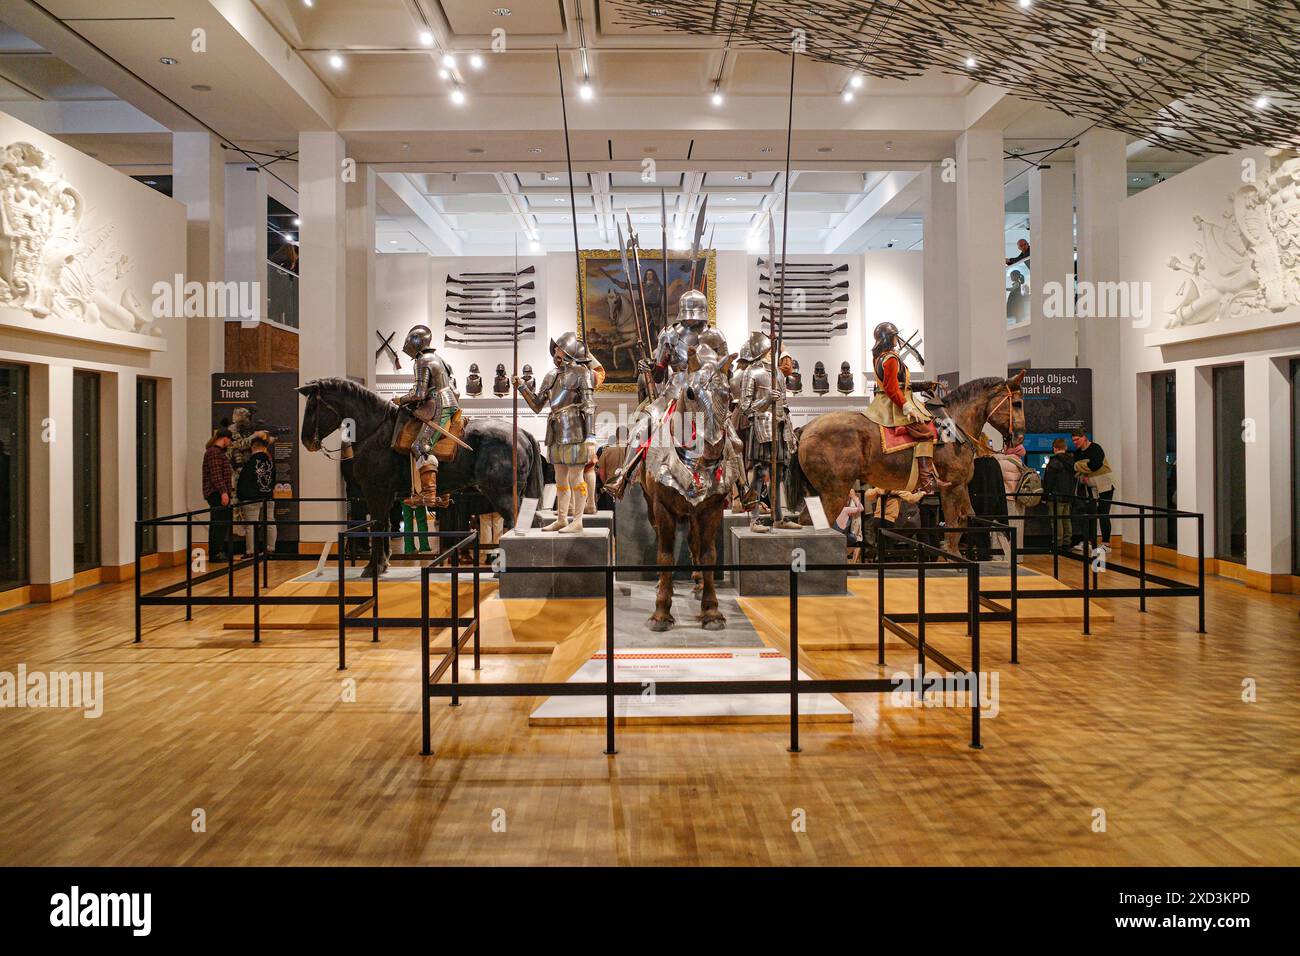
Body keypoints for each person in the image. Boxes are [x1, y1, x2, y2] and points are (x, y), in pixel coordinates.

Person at [514, 331, 596, 532]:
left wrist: (591, 436)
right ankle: (562, 518)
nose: (555, 351)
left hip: (575, 430)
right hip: (555, 430)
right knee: (560, 478)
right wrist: (522, 387)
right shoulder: (551, 375)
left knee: (577, 478)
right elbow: (537, 405)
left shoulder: (581, 373)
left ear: (567, 352)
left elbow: (589, 406)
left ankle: (578, 521)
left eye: (559, 348)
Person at [863, 321, 950, 495]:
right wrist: (906, 407)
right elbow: (892, 388)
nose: (897, 338)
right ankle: (927, 480)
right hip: (893, 405)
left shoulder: (880, 357)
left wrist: (924, 386)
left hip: (890, 399)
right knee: (925, 434)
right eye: (895, 335)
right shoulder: (891, 359)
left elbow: (902, 385)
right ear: (888, 338)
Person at [394, 324, 459, 508]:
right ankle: (444, 493)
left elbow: (419, 394)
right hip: (447, 401)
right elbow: (454, 388)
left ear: (415, 342)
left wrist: (401, 399)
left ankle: (429, 496)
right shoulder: (440, 359)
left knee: (420, 445)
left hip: (439, 404)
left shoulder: (422, 360)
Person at [1070, 427, 1116, 552]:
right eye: (1073, 440)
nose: (1075, 442)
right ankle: (1090, 541)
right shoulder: (1078, 453)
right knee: (1090, 514)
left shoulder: (1096, 448)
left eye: (1077, 439)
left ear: (1084, 437)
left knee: (1103, 514)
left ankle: (1106, 543)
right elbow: (1075, 469)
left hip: (1105, 485)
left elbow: (1095, 464)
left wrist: (1081, 467)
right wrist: (1083, 469)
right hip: (1090, 487)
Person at [236, 431, 277, 554]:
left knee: (251, 526)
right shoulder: (270, 462)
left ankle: (251, 551)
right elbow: (273, 480)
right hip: (268, 496)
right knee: (270, 522)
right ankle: (271, 548)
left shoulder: (250, 463)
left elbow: (243, 481)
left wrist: (240, 496)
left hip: (251, 498)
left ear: (253, 447)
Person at [202, 428, 234, 562]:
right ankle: (215, 552)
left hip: (220, 492)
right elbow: (216, 475)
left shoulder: (217, 452)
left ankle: (218, 551)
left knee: (222, 522)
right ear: (225, 438)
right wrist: (223, 492)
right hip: (216, 493)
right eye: (230, 440)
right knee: (218, 523)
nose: (230, 443)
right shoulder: (214, 452)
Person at [1042, 437, 1075, 551]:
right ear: (1065, 447)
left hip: (1055, 496)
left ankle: (1057, 543)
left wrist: (1044, 496)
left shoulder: (1054, 461)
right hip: (1068, 495)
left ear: (1054, 448)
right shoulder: (1072, 461)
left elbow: (1049, 481)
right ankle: (1067, 542)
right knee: (1066, 519)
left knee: (1056, 520)